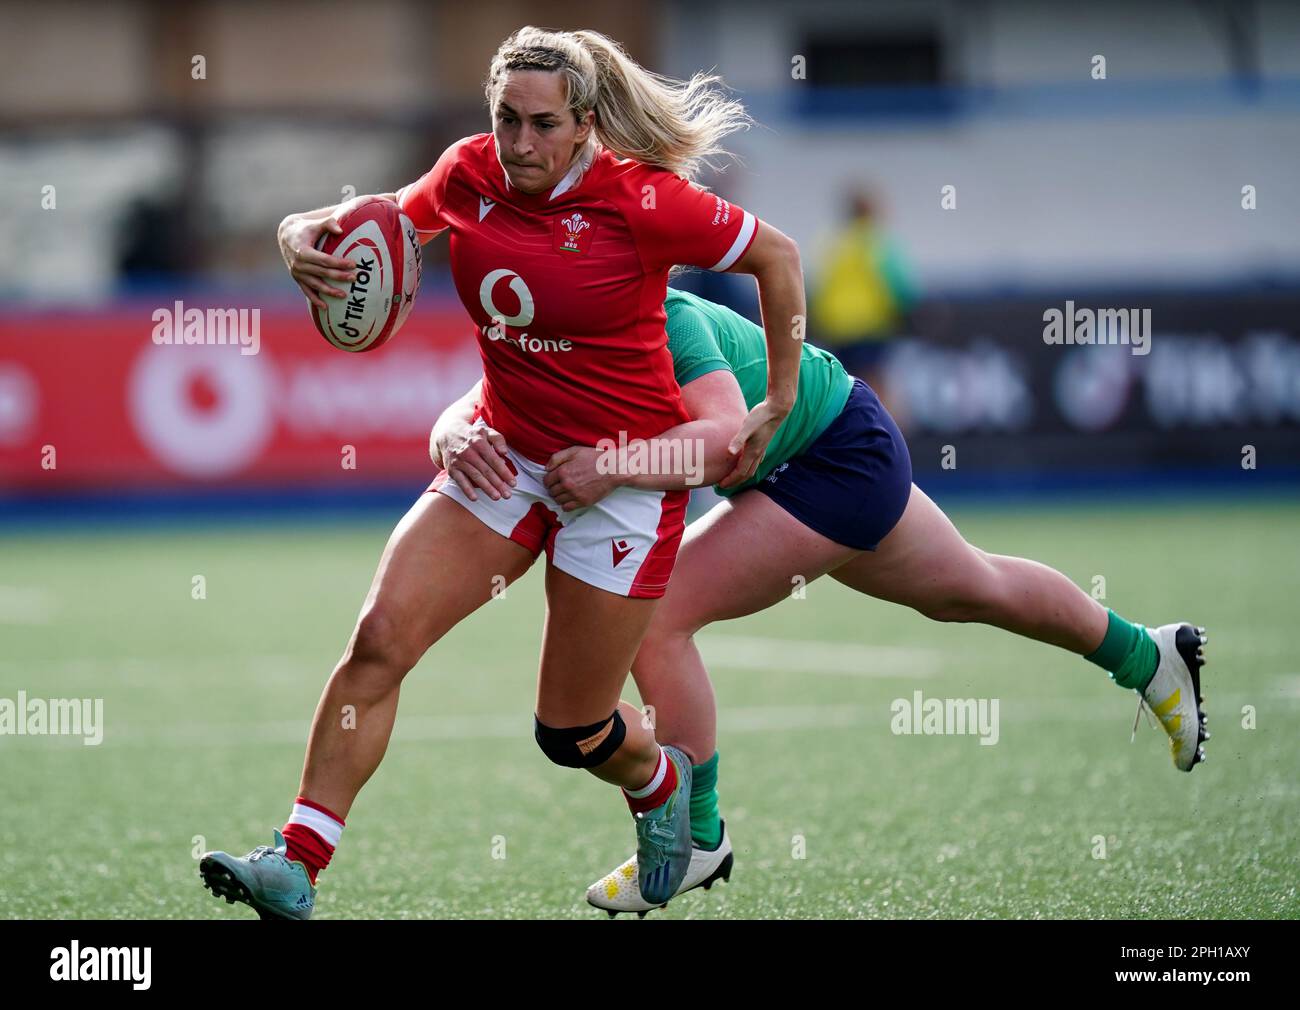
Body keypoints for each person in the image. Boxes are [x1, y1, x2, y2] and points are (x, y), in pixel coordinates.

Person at [198, 26, 805, 920]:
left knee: (571, 731)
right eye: (506, 119)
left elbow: (778, 257)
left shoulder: (643, 200)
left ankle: (660, 781)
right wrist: (298, 237)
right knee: (378, 639)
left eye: (543, 125)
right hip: (506, 454)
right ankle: (295, 863)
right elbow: (362, 221)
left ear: (586, 123)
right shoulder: (468, 171)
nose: (519, 145)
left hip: (623, 481)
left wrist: (780, 397)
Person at [441, 286, 1208, 917]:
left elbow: (724, 445)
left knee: (659, 613)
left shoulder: (664, 320)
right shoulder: (567, 329)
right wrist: (457, 433)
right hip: (838, 434)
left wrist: (610, 467)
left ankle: (699, 834)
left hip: (829, 459)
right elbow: (489, 405)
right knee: (975, 588)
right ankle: (1149, 653)